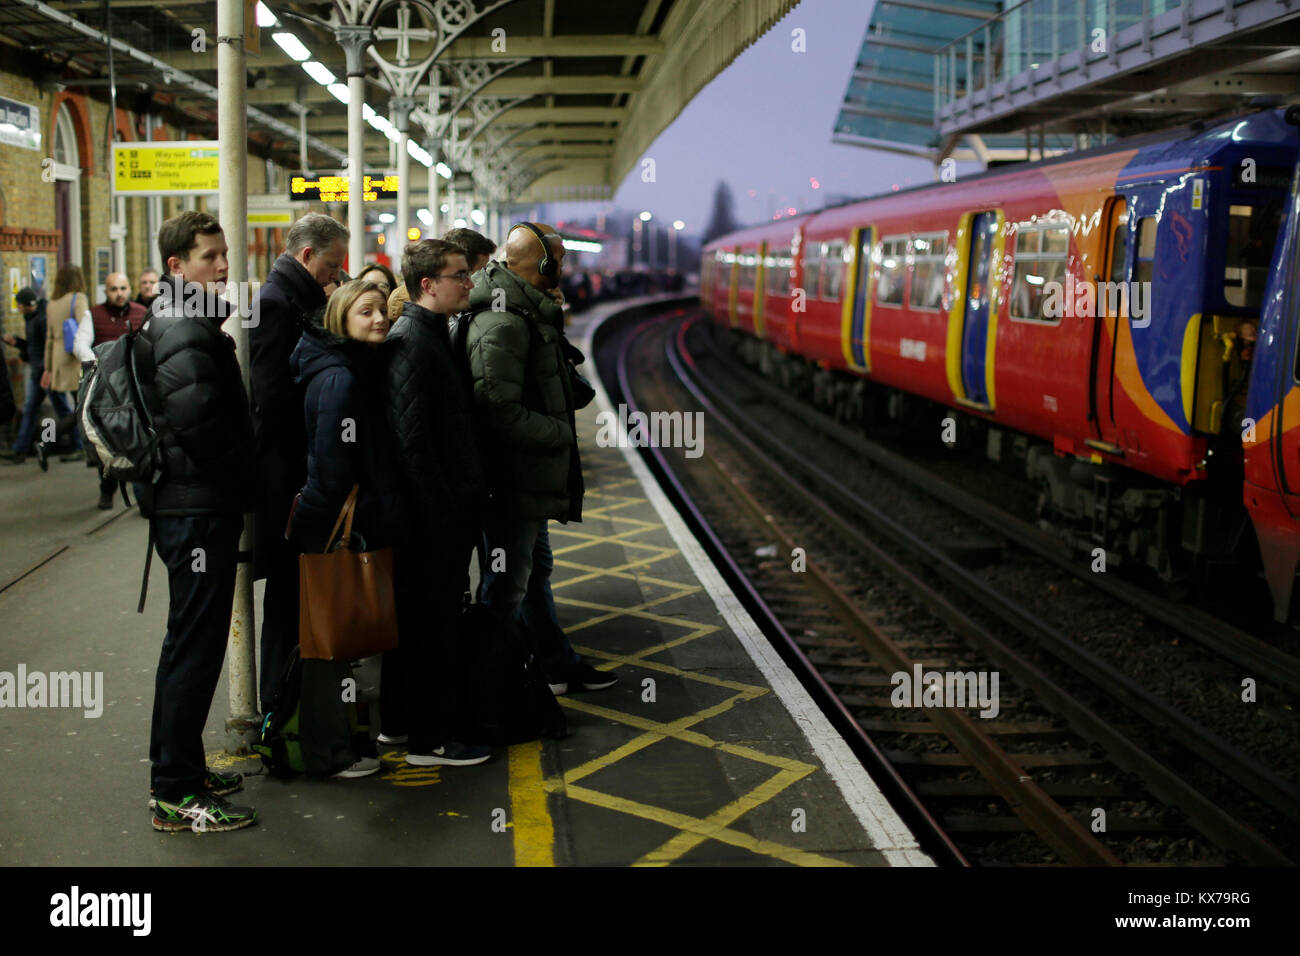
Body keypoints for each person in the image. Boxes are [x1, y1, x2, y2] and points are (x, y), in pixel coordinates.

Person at [135, 210, 258, 832]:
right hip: (196, 510)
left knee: (194, 645)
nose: (223, 267)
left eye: (224, 255)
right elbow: (204, 429)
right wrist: (250, 479)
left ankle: (182, 768)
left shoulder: (189, 320)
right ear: (178, 266)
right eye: (210, 257)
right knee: (192, 648)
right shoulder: (184, 327)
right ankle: (174, 791)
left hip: (194, 506)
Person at [464, 223, 615, 695]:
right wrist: (558, 436)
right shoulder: (503, 323)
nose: (565, 268)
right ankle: (491, 689)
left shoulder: (528, 314)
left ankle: (552, 662)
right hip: (512, 481)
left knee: (532, 575)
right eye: (560, 260)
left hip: (528, 478)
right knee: (505, 586)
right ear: (540, 264)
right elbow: (498, 408)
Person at [289, 279, 404, 779]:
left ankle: (344, 744)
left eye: (381, 309)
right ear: (341, 320)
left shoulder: (354, 366)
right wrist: (316, 521)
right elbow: (332, 468)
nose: (379, 318)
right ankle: (326, 753)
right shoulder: (340, 378)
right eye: (365, 312)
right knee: (328, 646)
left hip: (345, 523)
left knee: (339, 643)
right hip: (336, 526)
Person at [383, 239, 490, 767]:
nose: (469, 283)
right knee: (432, 624)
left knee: (420, 622)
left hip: (436, 511)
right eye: (460, 275)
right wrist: (444, 509)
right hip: (431, 519)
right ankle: (433, 739)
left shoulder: (430, 333)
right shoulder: (412, 341)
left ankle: (402, 725)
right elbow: (412, 441)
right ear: (428, 284)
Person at [249, 212, 349, 715]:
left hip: (301, 473)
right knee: (288, 601)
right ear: (307, 256)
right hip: (289, 479)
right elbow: (272, 400)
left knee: (300, 597)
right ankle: (278, 710)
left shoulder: (300, 299)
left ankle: (295, 707)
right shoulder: (274, 304)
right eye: (332, 266)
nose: (337, 276)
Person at [89, 273, 149, 508]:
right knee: (106, 443)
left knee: (136, 439)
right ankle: (107, 488)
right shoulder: (93, 315)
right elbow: (81, 346)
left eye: (123, 288)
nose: (119, 293)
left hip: (134, 388)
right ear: (106, 291)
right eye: (114, 289)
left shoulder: (140, 312)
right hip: (105, 393)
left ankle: (143, 496)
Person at [39, 264, 94, 467]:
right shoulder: (78, 299)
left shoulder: (52, 303)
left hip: (57, 359)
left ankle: (74, 446)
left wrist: (48, 367)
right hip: (75, 359)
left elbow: (49, 338)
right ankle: (48, 444)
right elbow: (85, 329)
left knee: (71, 408)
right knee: (84, 408)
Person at [2, 287, 48, 463]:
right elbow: (32, 347)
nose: (18, 308)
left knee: (63, 409)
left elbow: (45, 347)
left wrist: (48, 370)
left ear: (23, 305)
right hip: (37, 370)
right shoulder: (31, 318)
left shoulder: (41, 319)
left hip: (44, 372)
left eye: (19, 305)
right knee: (29, 408)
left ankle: (75, 444)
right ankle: (20, 449)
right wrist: (18, 343)